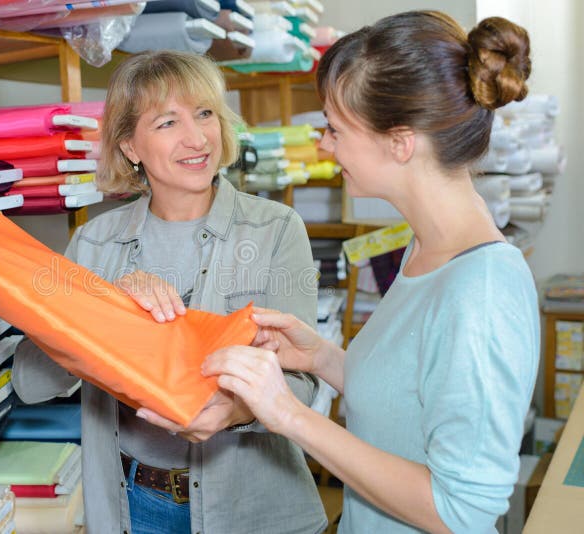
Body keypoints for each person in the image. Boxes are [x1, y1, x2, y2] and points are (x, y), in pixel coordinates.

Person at [170, 10, 538, 534]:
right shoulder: (428, 249)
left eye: (335, 129)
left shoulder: (481, 291)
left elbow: (460, 511)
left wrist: (291, 416)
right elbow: (413, 395)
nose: (324, 145)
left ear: (400, 142)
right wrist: (320, 358)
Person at [12, 50, 328, 534]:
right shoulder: (94, 243)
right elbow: (30, 383)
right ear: (130, 147)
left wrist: (233, 413)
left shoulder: (276, 229)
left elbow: (302, 384)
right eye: (167, 122)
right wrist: (103, 310)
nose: (196, 137)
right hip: (134, 507)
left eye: (204, 113)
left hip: (254, 509)